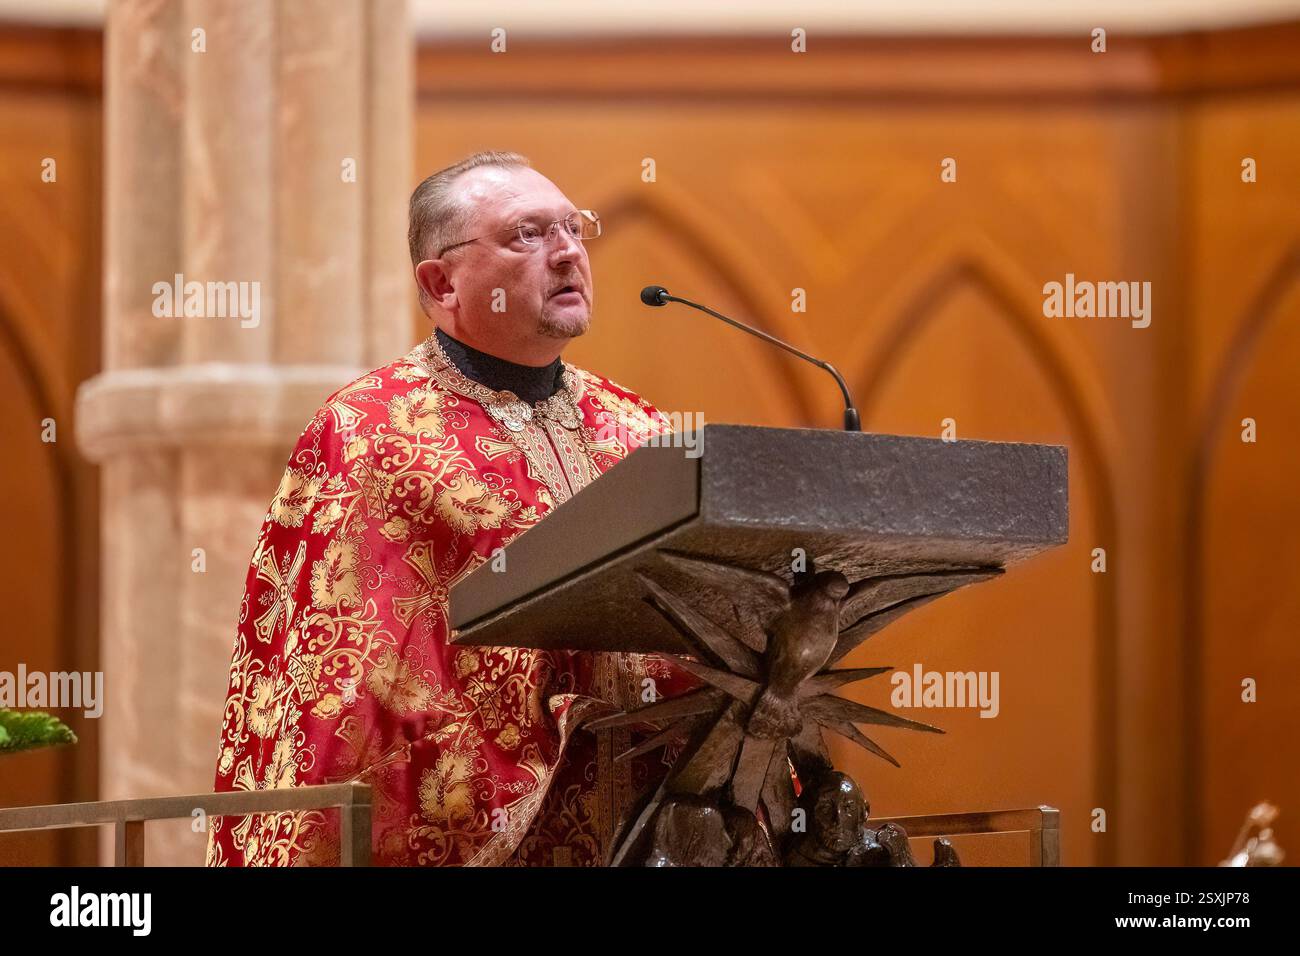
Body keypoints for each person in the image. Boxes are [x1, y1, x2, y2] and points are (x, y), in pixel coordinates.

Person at [205, 151, 695, 866]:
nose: (567, 253)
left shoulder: (642, 432)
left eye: (572, 228)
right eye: (528, 234)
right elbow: (353, 690)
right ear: (441, 282)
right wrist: (565, 698)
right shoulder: (371, 434)